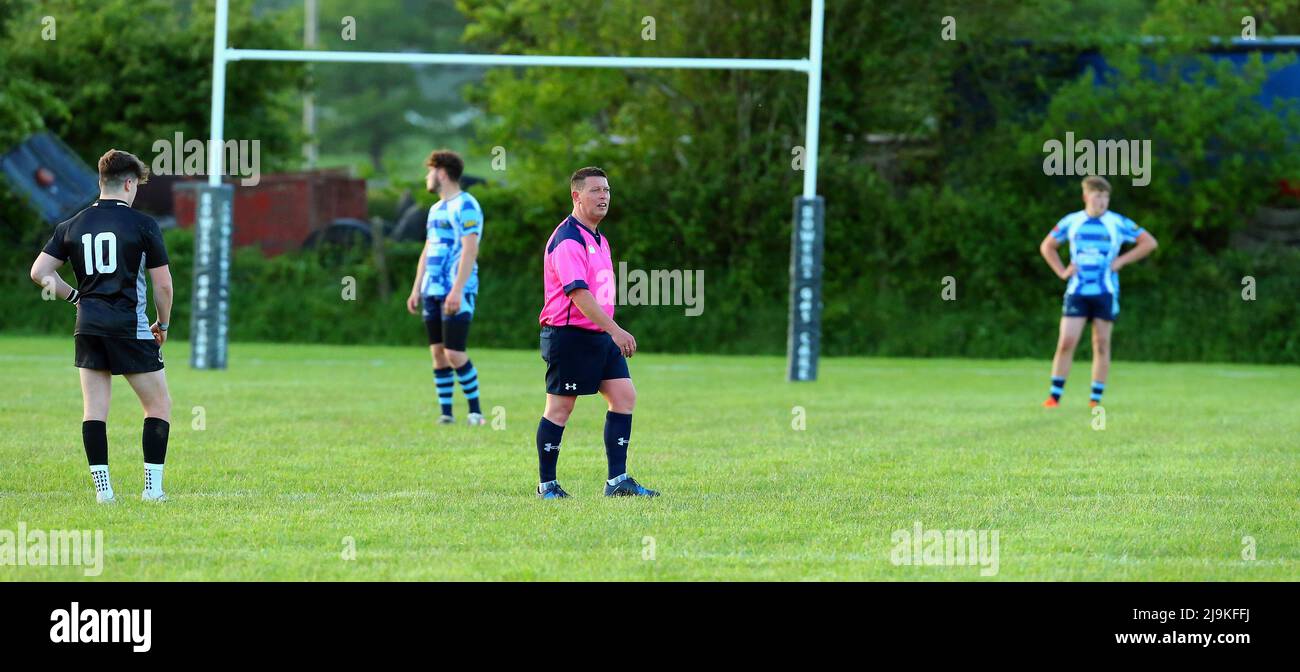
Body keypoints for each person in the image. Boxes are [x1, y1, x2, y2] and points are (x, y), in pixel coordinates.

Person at [28, 149, 174, 503]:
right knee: (158, 406)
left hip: (88, 325)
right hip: (129, 325)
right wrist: (163, 323)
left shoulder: (71, 224)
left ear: (100, 182)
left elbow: (39, 273)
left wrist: (76, 298)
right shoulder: (143, 225)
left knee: (95, 410)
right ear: (128, 183)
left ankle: (103, 493)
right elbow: (164, 285)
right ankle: (152, 491)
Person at [534, 167, 659, 499]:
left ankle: (617, 481)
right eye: (595, 191)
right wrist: (616, 330)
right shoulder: (568, 238)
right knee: (560, 408)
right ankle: (547, 485)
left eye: (606, 190)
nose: (603, 196)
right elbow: (578, 294)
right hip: (570, 335)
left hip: (599, 336)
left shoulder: (598, 238)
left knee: (623, 397)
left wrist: (609, 332)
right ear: (576, 196)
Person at [1039, 176, 1158, 408]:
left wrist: (1121, 261)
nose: (1102, 201)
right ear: (1086, 196)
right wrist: (1062, 271)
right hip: (1077, 291)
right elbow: (1047, 246)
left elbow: (1149, 242)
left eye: (1105, 197)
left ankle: (1095, 399)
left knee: (1101, 343)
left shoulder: (1117, 222)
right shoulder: (1072, 221)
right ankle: (1054, 397)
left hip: (1105, 291)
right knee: (1066, 341)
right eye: (1097, 196)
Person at [406, 150, 486, 426]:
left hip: (456, 290)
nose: (427, 178)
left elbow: (470, 249)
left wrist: (457, 290)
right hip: (432, 290)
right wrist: (417, 288)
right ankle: (447, 414)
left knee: (454, 352)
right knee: (437, 352)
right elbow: (427, 250)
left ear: (441, 173)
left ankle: (476, 412)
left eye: (430, 172)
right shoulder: (435, 209)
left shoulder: (466, 205)